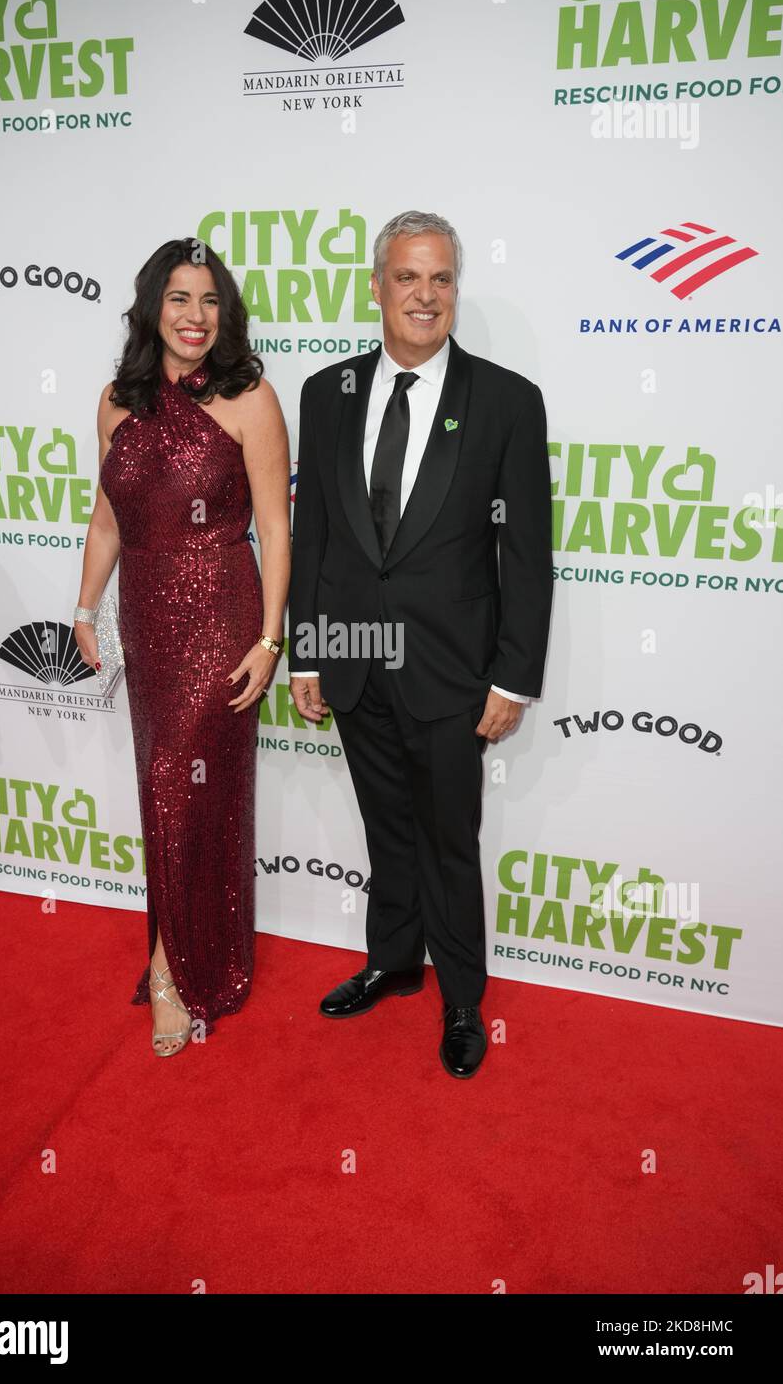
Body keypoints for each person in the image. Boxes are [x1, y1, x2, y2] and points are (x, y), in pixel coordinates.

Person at [288, 210, 553, 1078]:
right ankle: (394, 962)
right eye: (407, 278)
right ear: (376, 287)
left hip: (452, 670)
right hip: (355, 659)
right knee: (386, 827)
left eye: (441, 279)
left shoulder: (507, 400)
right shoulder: (326, 393)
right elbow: (316, 532)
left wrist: (514, 677)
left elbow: (526, 553)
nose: (425, 296)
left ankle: (464, 1000)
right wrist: (310, 651)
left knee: (449, 837)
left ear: (456, 290)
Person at [75, 237, 290, 1056]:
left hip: (224, 614)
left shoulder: (248, 397)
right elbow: (107, 520)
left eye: (209, 301)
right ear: (150, 308)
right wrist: (86, 608)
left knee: (183, 782)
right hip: (147, 615)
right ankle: (202, 950)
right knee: (165, 783)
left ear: (224, 312)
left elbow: (275, 525)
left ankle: (174, 969)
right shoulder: (115, 401)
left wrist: (270, 638)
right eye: (178, 299)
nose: (195, 317)